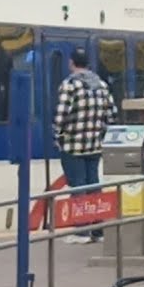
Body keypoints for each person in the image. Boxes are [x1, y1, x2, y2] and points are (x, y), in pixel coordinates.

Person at [54, 47, 119, 244]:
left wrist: (58, 137)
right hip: (95, 146)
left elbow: (60, 116)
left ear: (71, 63)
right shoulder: (100, 84)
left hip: (73, 146)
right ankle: (98, 230)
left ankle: (81, 231)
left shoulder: (70, 85)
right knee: (94, 185)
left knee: (78, 185)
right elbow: (112, 114)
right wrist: (100, 133)